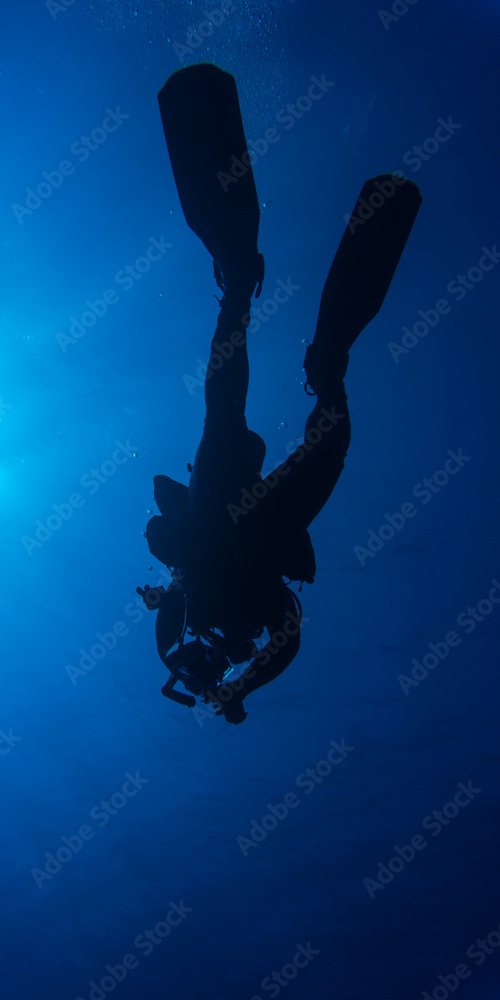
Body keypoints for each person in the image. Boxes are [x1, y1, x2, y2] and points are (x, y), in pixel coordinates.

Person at [138, 63, 422, 724]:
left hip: (215, 508)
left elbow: (180, 601)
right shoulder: (253, 631)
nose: (207, 659)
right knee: (330, 432)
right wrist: (243, 688)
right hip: (269, 521)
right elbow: (287, 641)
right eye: (215, 667)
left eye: (197, 665)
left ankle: (238, 285)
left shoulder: (174, 630)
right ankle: (326, 362)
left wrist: (173, 607)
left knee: (223, 410)